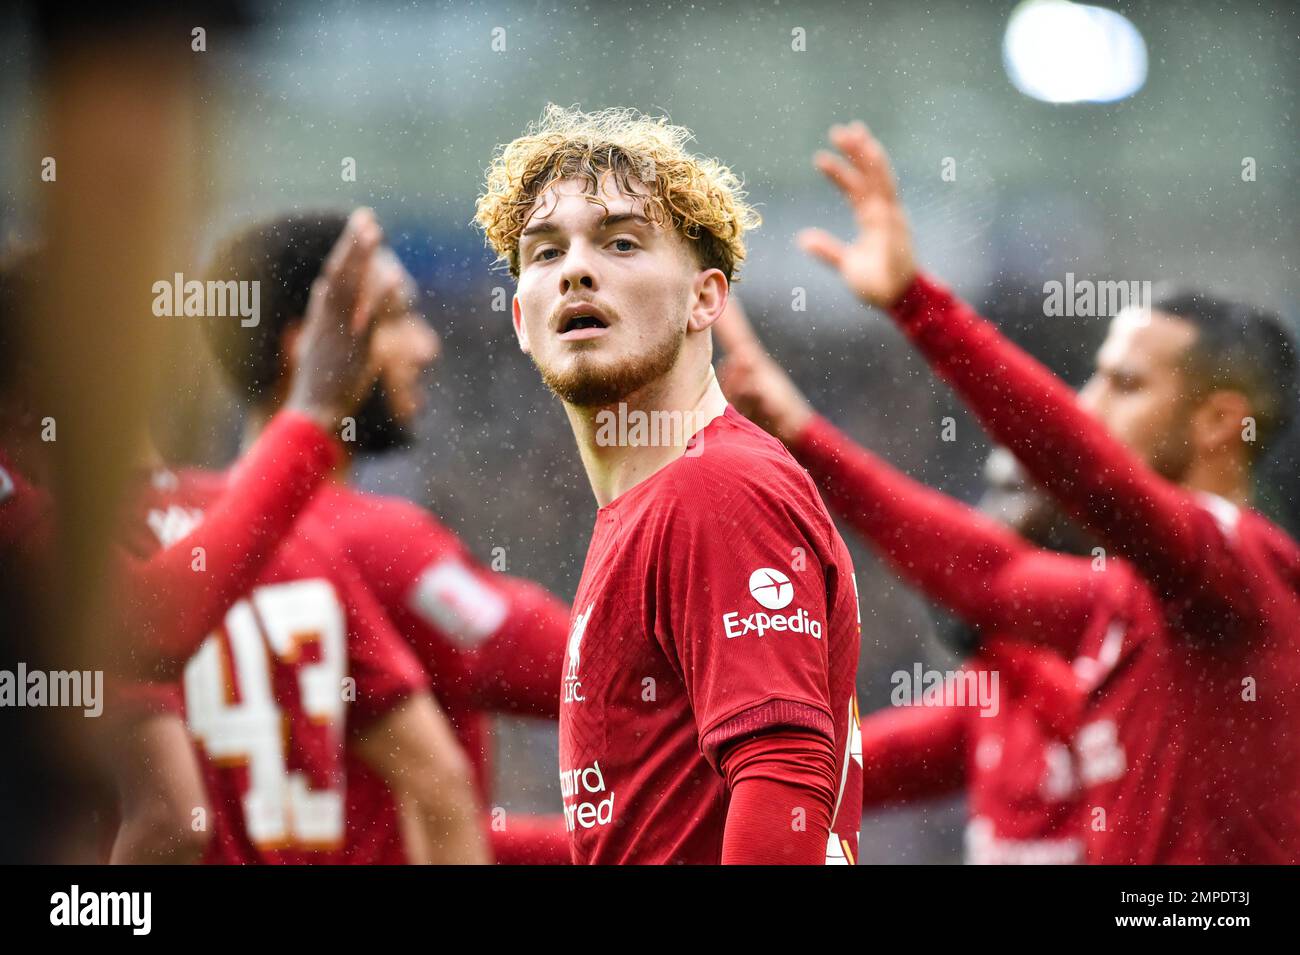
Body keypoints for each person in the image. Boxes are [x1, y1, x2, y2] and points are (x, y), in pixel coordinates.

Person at [796, 120, 1300, 863]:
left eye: (1124, 384)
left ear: (1222, 422)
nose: (1089, 402)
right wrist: (796, 430)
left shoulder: (1240, 573)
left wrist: (918, 303)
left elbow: (1082, 471)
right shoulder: (1125, 598)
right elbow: (988, 573)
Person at [474, 104, 863, 864]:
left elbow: (783, 772)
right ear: (523, 319)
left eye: (621, 241)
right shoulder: (650, 502)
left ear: (705, 298)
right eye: (546, 252)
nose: (578, 268)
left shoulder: (716, 487)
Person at [201, 209, 573, 863]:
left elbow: (376, 835)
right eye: (398, 316)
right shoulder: (373, 540)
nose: (427, 345)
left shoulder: (199, 543)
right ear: (310, 345)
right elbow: (593, 673)